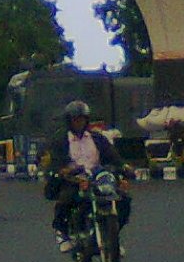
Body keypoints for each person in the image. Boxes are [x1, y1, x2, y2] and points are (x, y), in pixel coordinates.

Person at [47, 100, 132, 253]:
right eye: (76, 119)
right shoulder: (60, 140)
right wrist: (65, 170)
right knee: (67, 198)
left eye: (82, 118)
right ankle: (62, 233)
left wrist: (124, 167)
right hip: (74, 179)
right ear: (69, 121)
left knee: (123, 199)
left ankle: (112, 237)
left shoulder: (98, 138)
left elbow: (112, 156)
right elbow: (55, 162)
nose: (79, 122)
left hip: (98, 176)